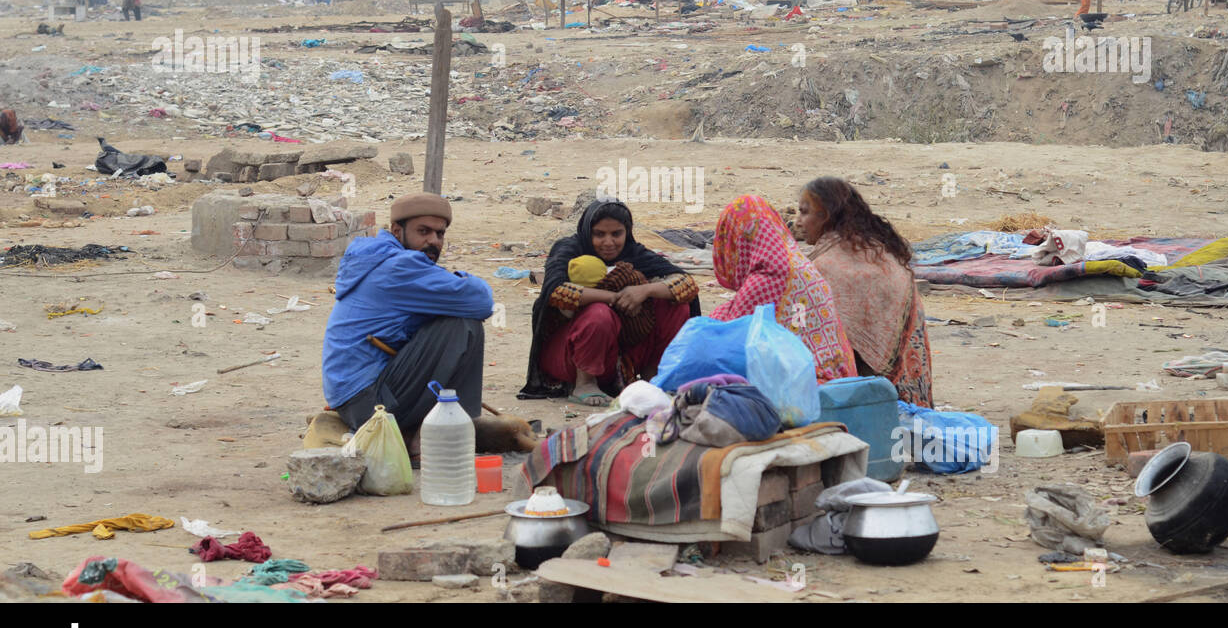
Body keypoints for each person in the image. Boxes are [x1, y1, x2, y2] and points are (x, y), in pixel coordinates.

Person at [321, 191, 494, 463]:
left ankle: (425, 427)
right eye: (423, 231)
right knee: (464, 324)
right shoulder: (400, 266)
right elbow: (481, 301)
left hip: (352, 398)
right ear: (397, 231)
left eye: (440, 234)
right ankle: (444, 430)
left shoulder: (378, 257)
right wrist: (459, 278)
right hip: (370, 402)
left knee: (448, 316)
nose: (433, 241)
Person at [522, 198, 700, 405]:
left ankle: (653, 376)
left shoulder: (634, 253)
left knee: (674, 305)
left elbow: (687, 283)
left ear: (627, 232)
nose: (608, 242)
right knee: (599, 312)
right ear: (588, 232)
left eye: (616, 234)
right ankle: (585, 383)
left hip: (618, 359)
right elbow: (555, 291)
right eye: (599, 234)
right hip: (568, 356)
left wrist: (644, 290)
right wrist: (613, 297)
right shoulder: (569, 250)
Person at [797, 177, 933, 407]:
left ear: (825, 216)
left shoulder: (825, 267)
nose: (797, 222)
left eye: (804, 212)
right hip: (908, 391)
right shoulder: (880, 250)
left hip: (861, 394)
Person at [710, 195, 856, 383]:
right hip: (840, 378)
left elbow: (730, 341)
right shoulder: (794, 262)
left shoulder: (768, 276)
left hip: (810, 388)